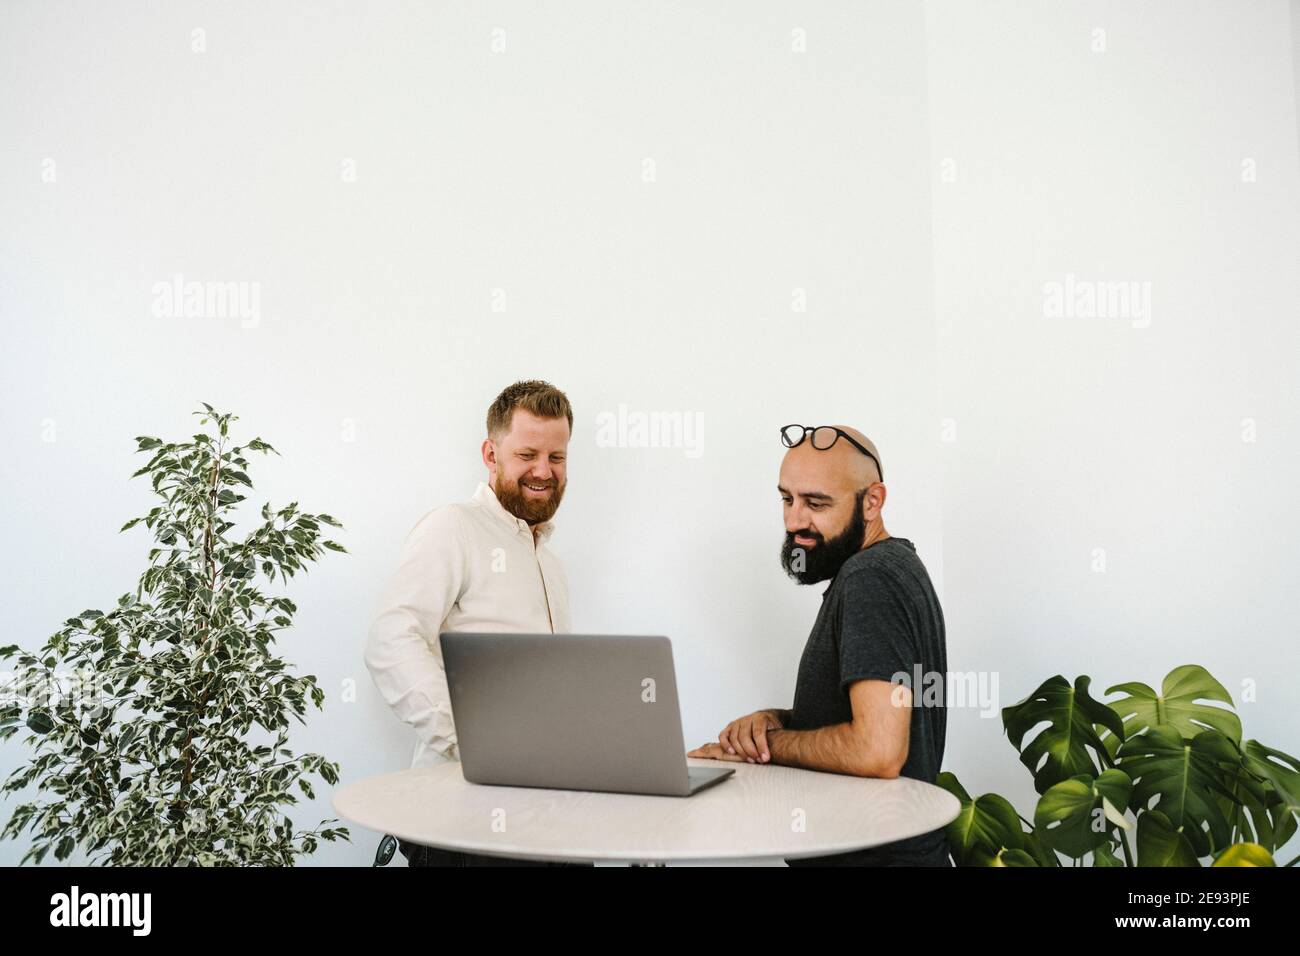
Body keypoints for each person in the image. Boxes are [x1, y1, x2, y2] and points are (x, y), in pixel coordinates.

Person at [688, 424, 950, 866]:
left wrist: (766, 748)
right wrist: (778, 720)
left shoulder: (870, 578)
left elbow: (879, 750)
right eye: (787, 499)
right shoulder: (895, 567)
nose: (794, 521)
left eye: (816, 503)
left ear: (873, 501)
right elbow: (879, 714)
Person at [365, 379, 589, 866]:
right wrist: (477, 744)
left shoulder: (551, 565)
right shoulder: (453, 528)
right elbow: (390, 641)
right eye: (527, 454)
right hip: (463, 822)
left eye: (557, 457)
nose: (543, 471)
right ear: (491, 454)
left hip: (549, 817)